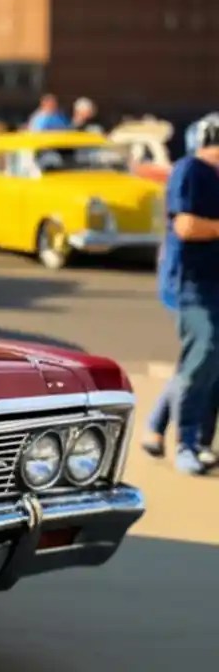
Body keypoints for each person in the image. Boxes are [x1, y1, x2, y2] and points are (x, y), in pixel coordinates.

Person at [153, 116, 219, 474]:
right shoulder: (190, 170)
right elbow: (187, 226)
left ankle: (163, 428)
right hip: (192, 283)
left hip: (214, 281)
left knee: (206, 360)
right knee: (204, 351)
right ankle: (186, 442)